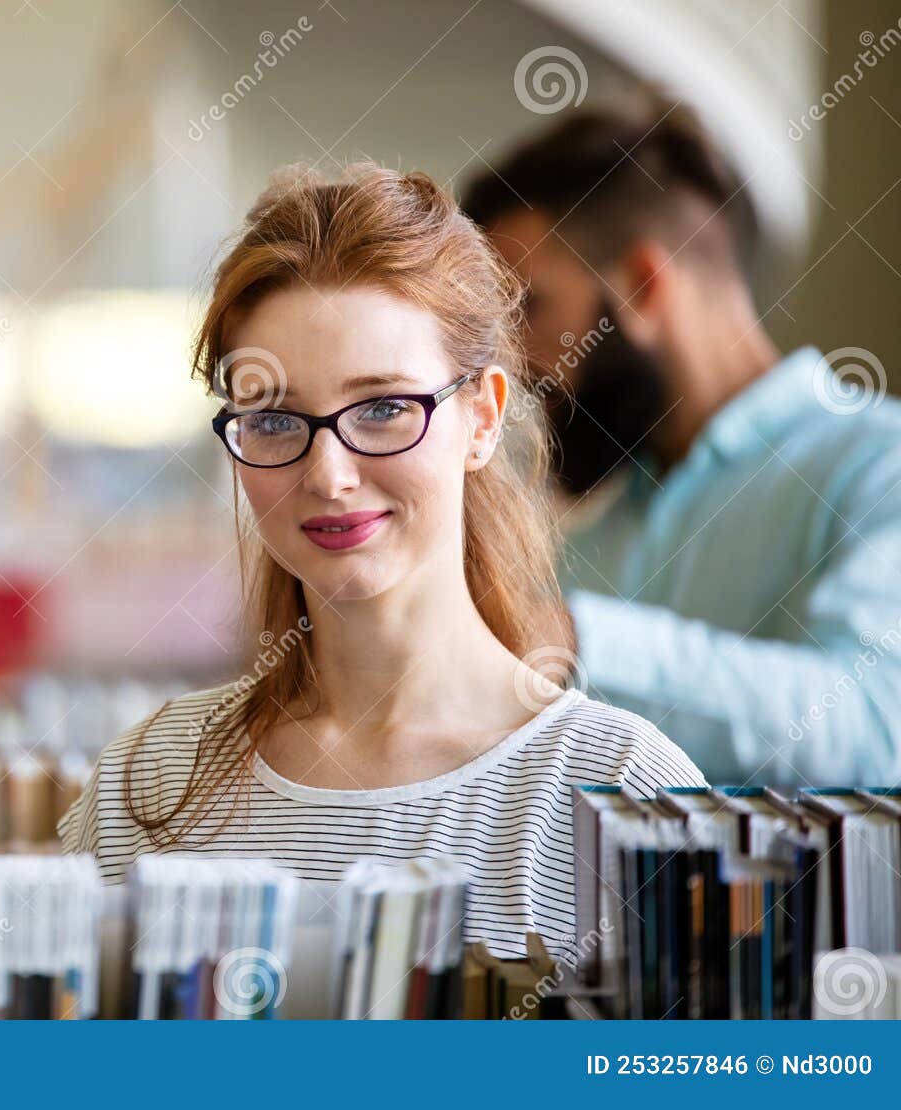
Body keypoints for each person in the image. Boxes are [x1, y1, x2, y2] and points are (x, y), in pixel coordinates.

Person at [59, 162, 703, 958]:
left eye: (386, 408)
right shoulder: (149, 782)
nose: (328, 475)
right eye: (273, 420)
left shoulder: (621, 789)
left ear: (482, 418)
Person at [464, 104, 901, 786]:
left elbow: (880, 728)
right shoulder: (600, 531)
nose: (515, 361)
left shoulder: (881, 465)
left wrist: (570, 642)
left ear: (642, 284)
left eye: (529, 308)